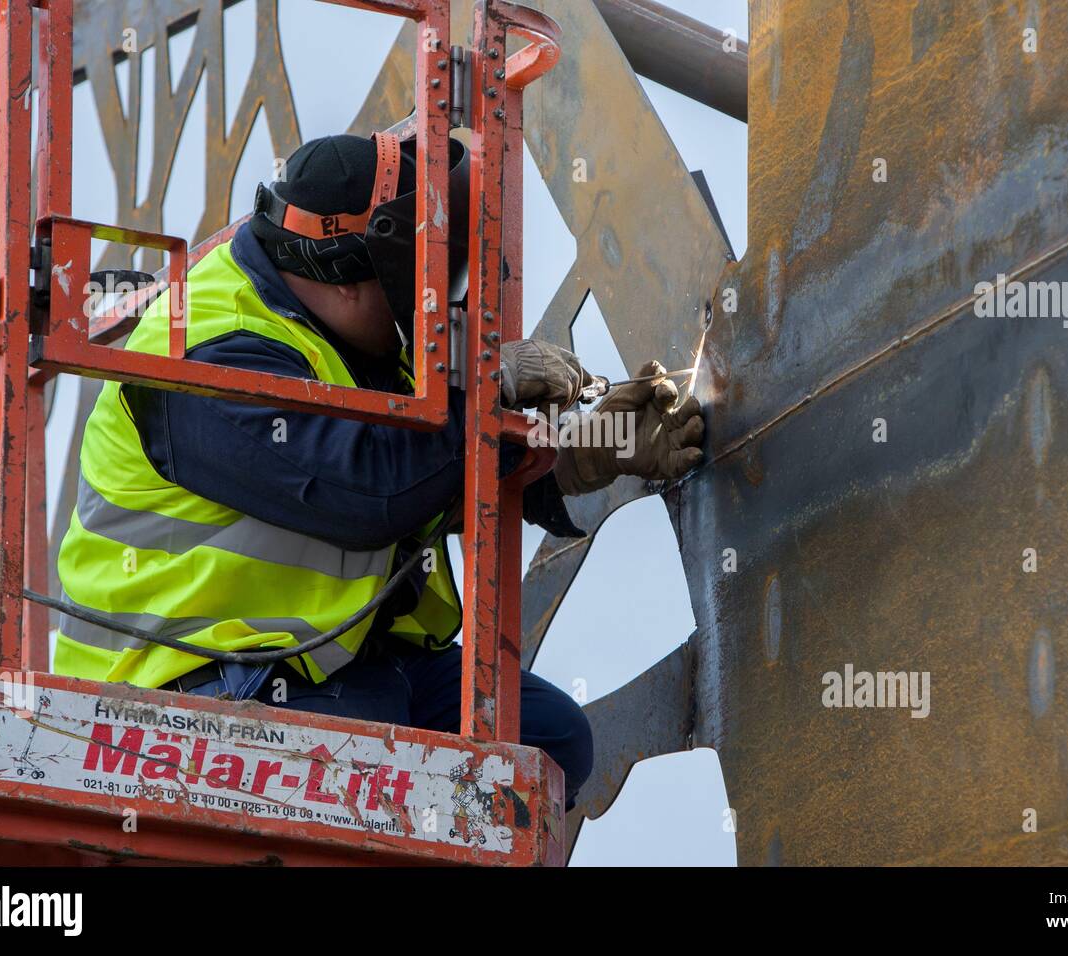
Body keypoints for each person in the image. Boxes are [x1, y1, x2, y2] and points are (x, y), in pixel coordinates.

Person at [52, 132, 705, 810]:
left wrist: (569, 460)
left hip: (330, 660)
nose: (429, 305)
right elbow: (365, 488)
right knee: (378, 723)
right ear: (360, 270)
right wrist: (490, 387)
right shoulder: (199, 350)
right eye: (421, 275)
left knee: (549, 740)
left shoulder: (340, 336)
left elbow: (421, 470)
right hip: (180, 688)